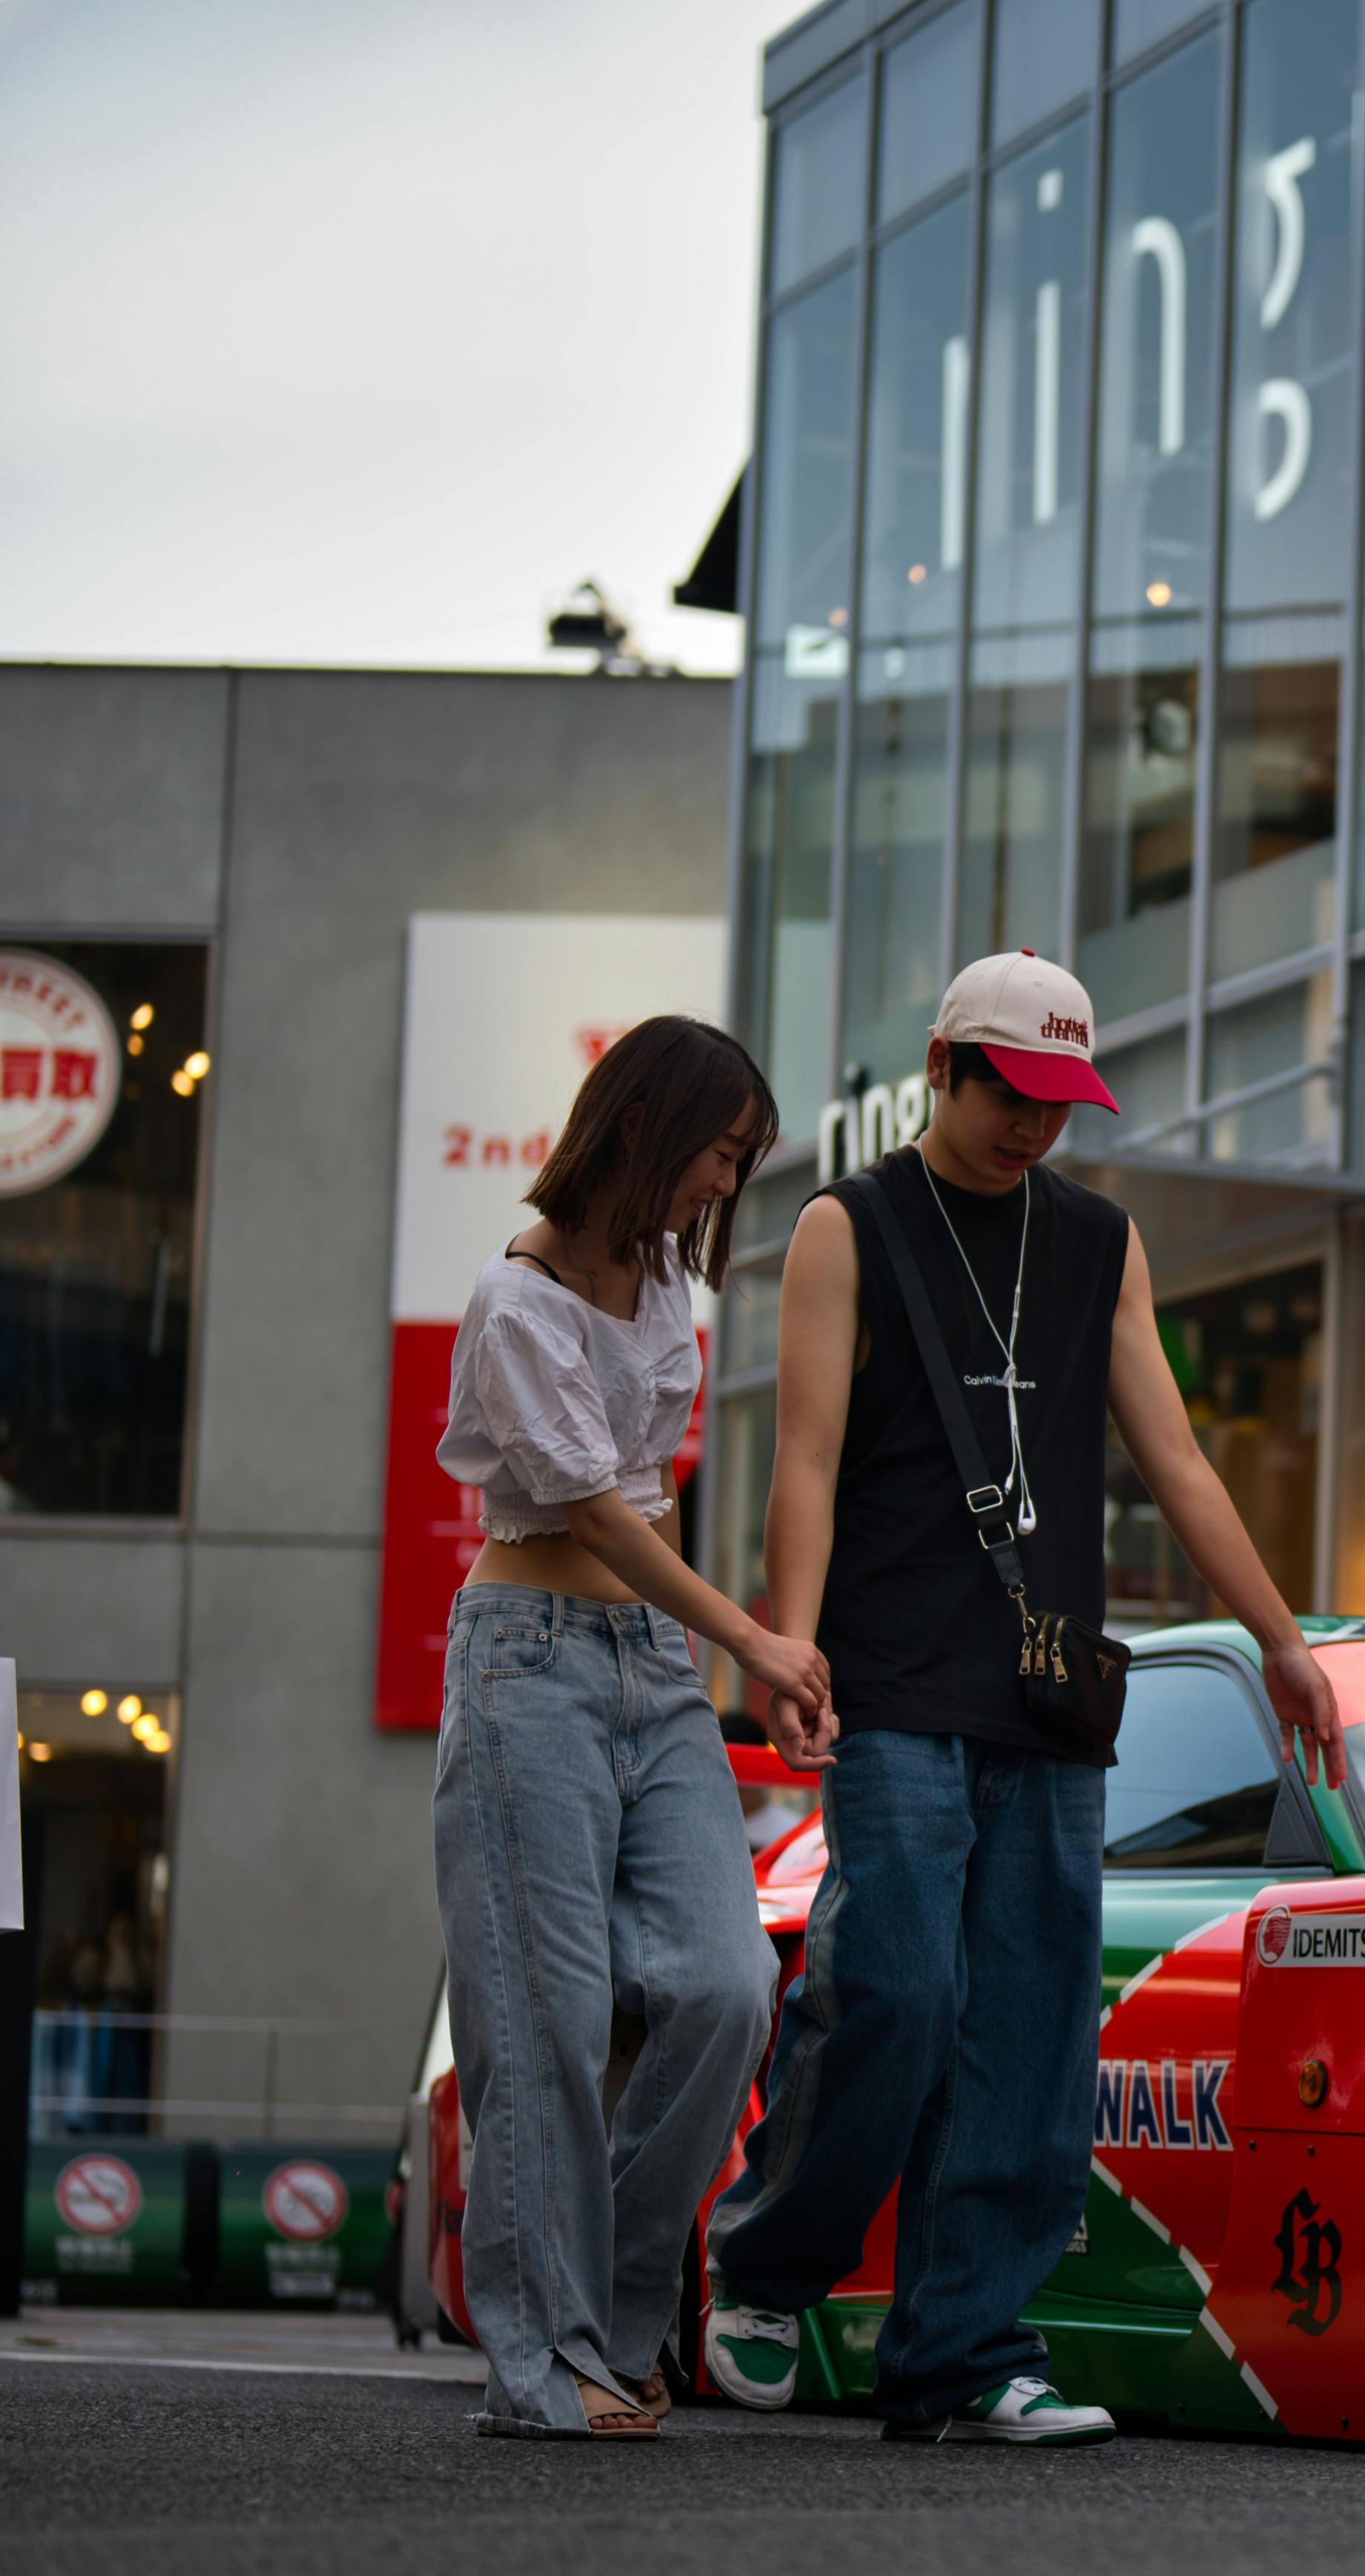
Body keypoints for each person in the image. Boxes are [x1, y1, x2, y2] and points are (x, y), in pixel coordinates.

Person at [705, 953, 1346, 2446]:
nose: (1035, 1125)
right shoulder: (841, 1225)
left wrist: (1278, 1637)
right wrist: (784, 1648)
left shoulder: (1095, 1241)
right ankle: (767, 2259)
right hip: (893, 1676)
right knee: (899, 1985)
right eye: (1012, 1091)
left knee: (1038, 2024)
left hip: (1048, 1689)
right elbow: (801, 1458)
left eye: (1063, 1100)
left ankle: (963, 2351)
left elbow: (1176, 1460)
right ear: (941, 1066)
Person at [431, 1016, 822, 2440]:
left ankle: (620, 2309)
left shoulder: (661, 1275)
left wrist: (719, 1652)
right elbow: (593, 1507)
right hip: (528, 1660)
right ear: (649, 1125)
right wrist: (756, 1639)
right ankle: (546, 2363)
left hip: (653, 1667)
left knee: (727, 1987)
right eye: (722, 1152)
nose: (725, 1184)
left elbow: (652, 1496)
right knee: (540, 2027)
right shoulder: (514, 1300)